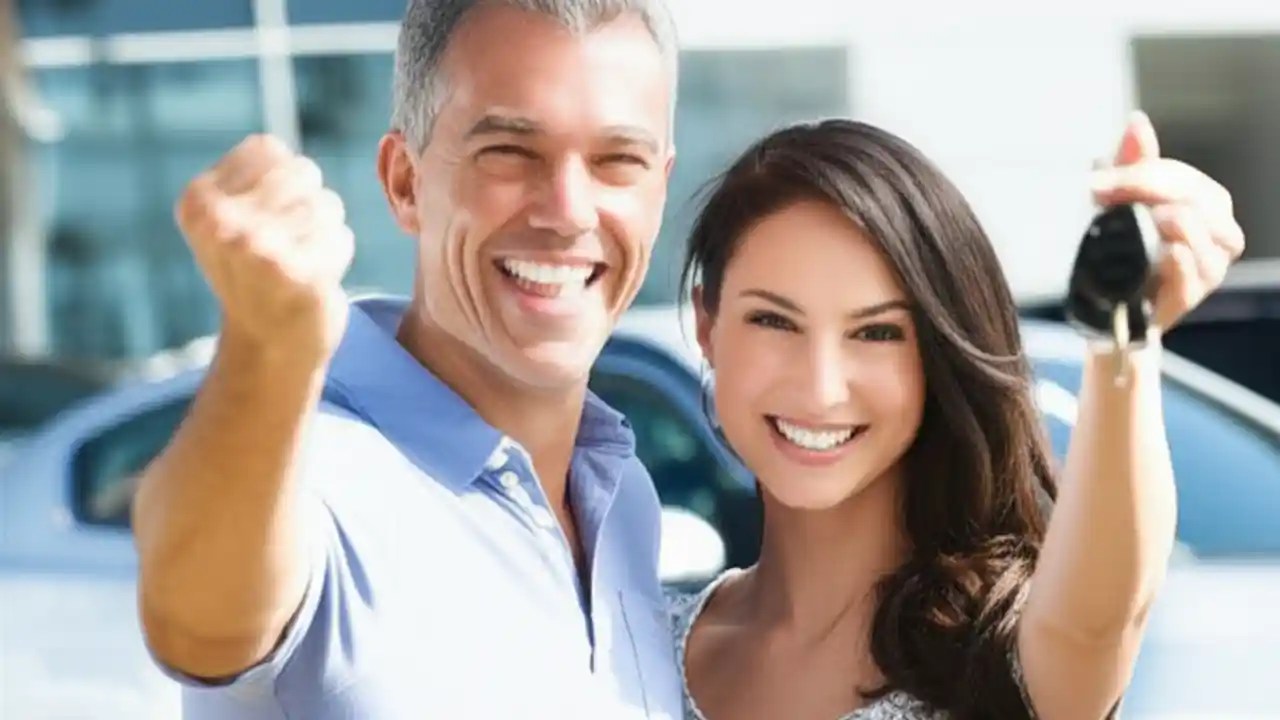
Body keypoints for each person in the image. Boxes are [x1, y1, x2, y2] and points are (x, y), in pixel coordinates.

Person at [130, 1, 685, 718]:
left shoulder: (625, 499)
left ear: (660, 188)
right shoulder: (317, 470)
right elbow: (196, 620)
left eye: (618, 161)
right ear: (404, 182)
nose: (569, 210)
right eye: (510, 152)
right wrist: (267, 348)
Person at [670, 114, 1243, 719]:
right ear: (707, 324)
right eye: (774, 321)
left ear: (937, 351)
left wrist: (1125, 331)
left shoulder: (1000, 650)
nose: (821, 387)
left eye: (877, 332)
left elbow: (1103, 620)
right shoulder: (639, 646)